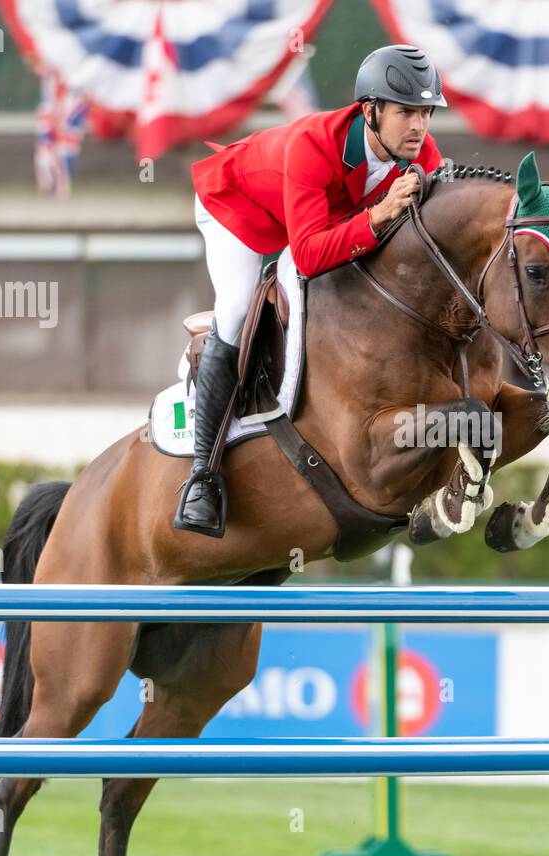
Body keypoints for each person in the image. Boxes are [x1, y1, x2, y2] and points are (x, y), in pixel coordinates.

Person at [177, 44, 448, 536]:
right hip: (235, 210)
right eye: (406, 112)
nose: (419, 126)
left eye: (426, 112)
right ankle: (202, 476)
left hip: (309, 222)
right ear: (370, 111)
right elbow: (307, 257)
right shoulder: (314, 144)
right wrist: (380, 215)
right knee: (237, 307)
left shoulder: (422, 155)